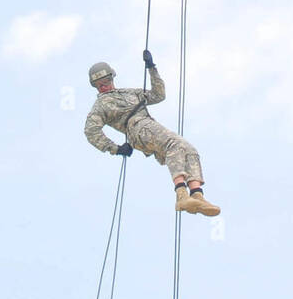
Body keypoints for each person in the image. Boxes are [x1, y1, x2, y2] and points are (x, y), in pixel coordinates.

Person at [84, 52, 220, 216]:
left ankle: (197, 195)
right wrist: (115, 148)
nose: (104, 86)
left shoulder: (129, 93)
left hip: (149, 125)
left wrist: (151, 68)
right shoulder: (100, 106)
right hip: (137, 128)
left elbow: (158, 95)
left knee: (189, 150)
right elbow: (91, 131)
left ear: (112, 78)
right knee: (174, 145)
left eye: (106, 81)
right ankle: (181, 195)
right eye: (99, 85)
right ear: (96, 87)